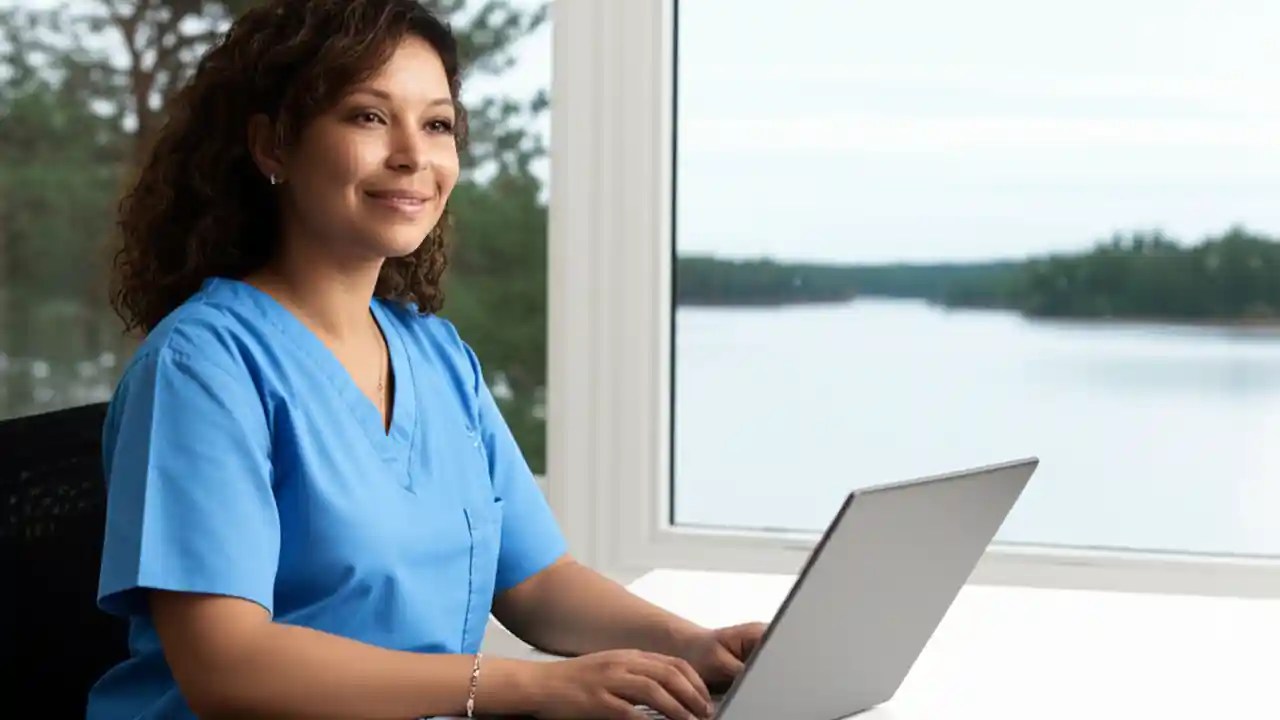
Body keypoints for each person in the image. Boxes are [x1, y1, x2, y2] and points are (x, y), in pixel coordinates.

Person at [88, 1, 766, 718]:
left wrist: (692, 647)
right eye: (368, 116)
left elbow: (538, 583)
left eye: (437, 123)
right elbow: (229, 665)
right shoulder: (203, 367)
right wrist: (530, 686)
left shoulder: (436, 355)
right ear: (273, 147)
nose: (414, 155)